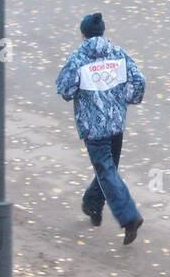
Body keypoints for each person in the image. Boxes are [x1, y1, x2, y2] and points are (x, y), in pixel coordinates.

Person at [55, 13, 146, 244]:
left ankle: (129, 217)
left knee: (106, 171)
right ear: (103, 32)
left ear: (83, 34)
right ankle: (92, 204)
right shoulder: (118, 53)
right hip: (116, 124)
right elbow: (139, 82)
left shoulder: (78, 59)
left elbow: (65, 90)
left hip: (93, 128)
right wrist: (122, 99)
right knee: (109, 169)